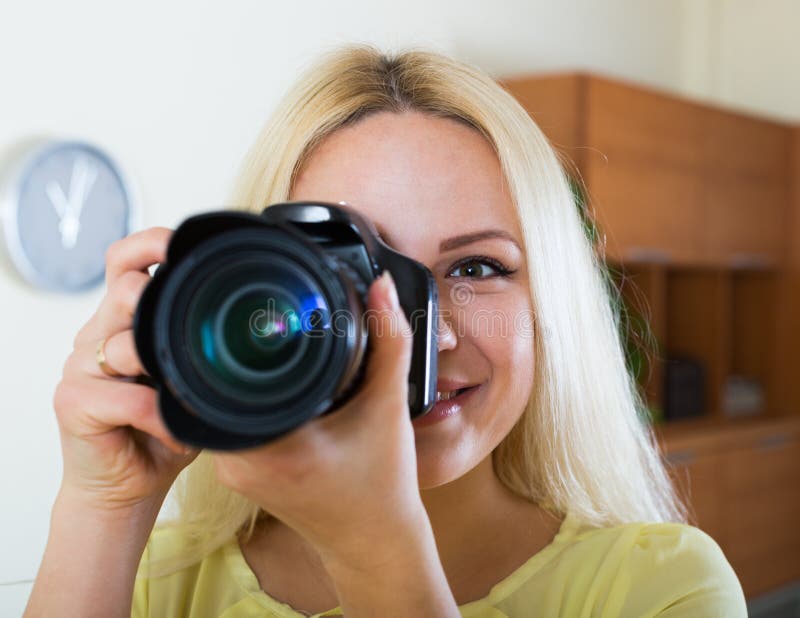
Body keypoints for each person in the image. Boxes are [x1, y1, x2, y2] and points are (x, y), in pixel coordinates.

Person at [25, 44, 747, 617]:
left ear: (548, 302)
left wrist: (376, 552)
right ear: (239, 288)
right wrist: (105, 509)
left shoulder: (662, 591)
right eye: (353, 271)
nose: (422, 337)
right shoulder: (157, 581)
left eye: (476, 267)